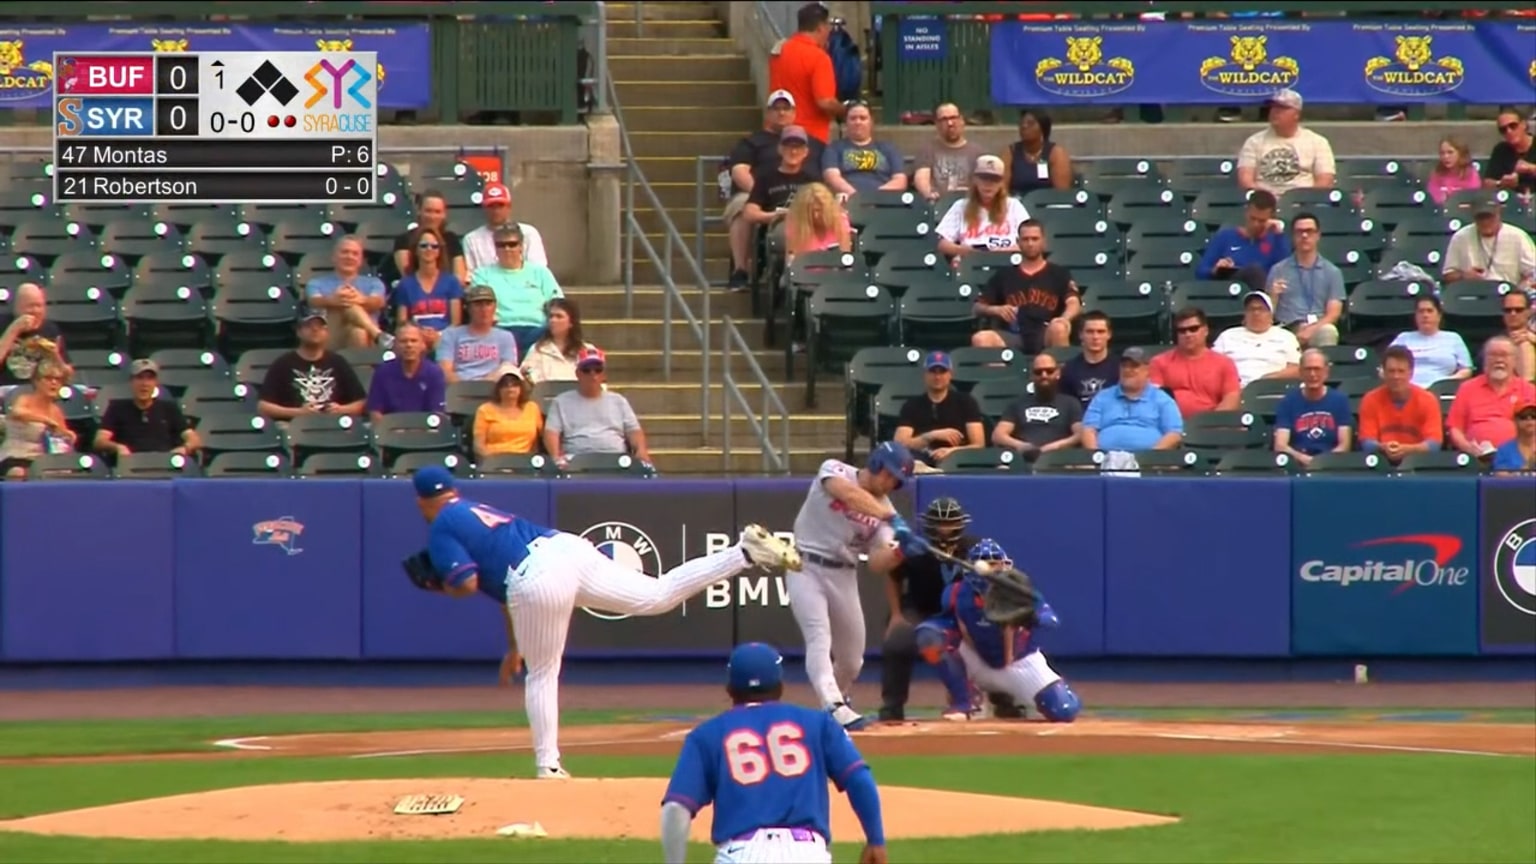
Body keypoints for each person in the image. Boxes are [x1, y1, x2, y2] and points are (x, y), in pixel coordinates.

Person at [409, 466, 801, 779]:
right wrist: (515, 647)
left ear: (422, 502)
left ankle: (547, 765)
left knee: (542, 674)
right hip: (565, 548)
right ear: (452, 490)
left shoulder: (442, 524)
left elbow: (467, 582)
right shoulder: (472, 508)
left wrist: (443, 587)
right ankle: (743, 554)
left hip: (535, 577)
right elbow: (501, 594)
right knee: (658, 594)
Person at [659, 642, 887, 864]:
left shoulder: (707, 735)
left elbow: (676, 807)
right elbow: (859, 779)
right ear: (780, 685)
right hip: (808, 853)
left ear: (730, 689)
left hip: (741, 853)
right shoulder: (818, 724)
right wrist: (875, 840)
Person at [789, 442, 922, 731]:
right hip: (804, 565)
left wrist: (899, 551)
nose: (890, 484)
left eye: (897, 481)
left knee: (851, 659)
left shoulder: (886, 510)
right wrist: (890, 518)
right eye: (888, 475)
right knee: (819, 638)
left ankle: (833, 705)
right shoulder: (835, 469)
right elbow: (847, 494)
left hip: (843, 573)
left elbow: (876, 562)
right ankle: (834, 706)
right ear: (875, 464)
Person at [875, 497, 1023, 723]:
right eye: (939, 524)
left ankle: (1004, 700)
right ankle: (892, 706)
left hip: (961, 611)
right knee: (898, 642)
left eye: (950, 524)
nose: (945, 530)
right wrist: (896, 615)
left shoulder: (975, 549)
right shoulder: (915, 547)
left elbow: (996, 579)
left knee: (989, 635)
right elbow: (893, 578)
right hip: (921, 608)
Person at [915, 539, 1080, 723]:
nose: (994, 570)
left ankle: (1024, 698)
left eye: (996, 564)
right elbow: (939, 627)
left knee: (1064, 710)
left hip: (1020, 663)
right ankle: (965, 700)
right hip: (977, 658)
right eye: (989, 564)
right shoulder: (955, 593)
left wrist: (1029, 617)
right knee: (928, 636)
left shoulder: (1018, 590)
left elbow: (1051, 619)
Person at [970, 220, 1079, 352]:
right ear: (1018, 242)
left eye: (1035, 239)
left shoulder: (1059, 273)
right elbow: (977, 307)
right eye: (1025, 239)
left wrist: (1063, 319)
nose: (1030, 244)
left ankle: (1060, 373)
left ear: (1044, 241)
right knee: (981, 339)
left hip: (1045, 332)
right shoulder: (1004, 275)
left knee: (1059, 329)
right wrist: (996, 310)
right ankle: (1001, 373)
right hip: (1014, 334)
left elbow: (1074, 303)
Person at [256, 305, 368, 420]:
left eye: (320, 326)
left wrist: (341, 410)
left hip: (334, 425)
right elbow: (263, 407)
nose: (315, 329)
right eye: (309, 326)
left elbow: (361, 403)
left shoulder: (338, 362)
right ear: (298, 331)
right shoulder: (283, 364)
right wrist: (297, 412)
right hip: (295, 428)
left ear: (327, 332)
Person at [470, 223, 563, 352]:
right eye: (501, 245)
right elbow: (478, 304)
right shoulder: (482, 274)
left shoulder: (540, 272)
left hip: (537, 328)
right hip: (501, 328)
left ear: (521, 246)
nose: (507, 249)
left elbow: (557, 303)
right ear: (495, 248)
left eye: (512, 244)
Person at [1267, 211, 1345, 348]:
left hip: (1318, 327)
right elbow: (1268, 313)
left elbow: (1334, 313)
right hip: (1286, 329)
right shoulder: (1278, 270)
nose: (1304, 236)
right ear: (1293, 236)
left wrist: (1311, 329)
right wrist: (1273, 296)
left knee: (1328, 331)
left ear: (1318, 235)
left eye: (1309, 231)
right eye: (1299, 232)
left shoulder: (1332, 272)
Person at [93, 359, 200, 458]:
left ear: (156, 383)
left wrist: (184, 448)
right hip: (130, 466)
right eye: (139, 378)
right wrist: (117, 447)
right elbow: (100, 440)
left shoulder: (169, 408)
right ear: (131, 381)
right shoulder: (116, 408)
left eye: (149, 378)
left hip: (164, 465)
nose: (144, 384)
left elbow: (193, 439)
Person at [1357, 345, 1445, 465]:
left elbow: (1434, 444)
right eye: (1391, 371)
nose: (1396, 376)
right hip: (1381, 463)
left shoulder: (1428, 400)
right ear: (1383, 372)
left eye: (1401, 371)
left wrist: (1407, 449)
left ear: (1411, 373)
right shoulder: (1370, 400)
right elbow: (1366, 442)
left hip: (1419, 464)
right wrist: (1384, 447)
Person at [990, 352, 1084, 460]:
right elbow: (998, 435)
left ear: (1058, 373)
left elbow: (1080, 434)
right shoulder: (1017, 404)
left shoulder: (1070, 403)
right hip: (1024, 459)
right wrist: (1022, 446)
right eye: (1038, 372)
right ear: (1031, 375)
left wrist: (1056, 446)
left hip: (1060, 459)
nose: (1044, 375)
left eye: (1049, 371)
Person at [934, 156, 1028, 260]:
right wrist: (961, 250)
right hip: (970, 263)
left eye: (994, 180)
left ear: (1001, 183)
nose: (988, 184)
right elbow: (941, 243)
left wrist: (1007, 251)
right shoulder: (961, 206)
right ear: (975, 180)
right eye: (983, 178)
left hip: (1006, 261)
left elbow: (1029, 240)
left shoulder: (1014, 206)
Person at [1272, 349, 1354, 465]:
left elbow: (1344, 445)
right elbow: (1280, 445)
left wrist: (1321, 462)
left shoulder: (1340, 400)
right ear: (1300, 372)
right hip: (1298, 464)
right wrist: (1303, 459)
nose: (1312, 374)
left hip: (1332, 464)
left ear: (1326, 371)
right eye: (1308, 369)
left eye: (1317, 369)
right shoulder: (1288, 401)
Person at [393, 225, 464, 352]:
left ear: (439, 251)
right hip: (415, 339)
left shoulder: (451, 282)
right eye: (423, 246)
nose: (429, 249)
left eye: (434, 246)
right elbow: (402, 322)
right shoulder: (405, 284)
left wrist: (438, 335)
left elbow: (455, 323)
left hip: (444, 337)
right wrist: (419, 333)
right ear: (416, 250)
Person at [0, 357, 73, 480]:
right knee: (18, 473)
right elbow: (17, 412)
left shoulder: (56, 411)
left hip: (44, 461)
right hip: (16, 456)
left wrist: (69, 435)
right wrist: (45, 420)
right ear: (37, 381)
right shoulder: (24, 400)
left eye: (58, 380)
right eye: (48, 378)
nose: (54, 383)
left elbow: (62, 436)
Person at [1389, 295, 1473, 388]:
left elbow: (1466, 370)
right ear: (1415, 316)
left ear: (1439, 315)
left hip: (1442, 389)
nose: (1425, 315)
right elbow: (1384, 368)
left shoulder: (1453, 338)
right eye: (1421, 311)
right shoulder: (1403, 338)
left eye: (1430, 311)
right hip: (1407, 389)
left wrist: (1447, 383)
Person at [473, 362, 543, 458]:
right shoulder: (485, 410)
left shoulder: (532, 408)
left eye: (514, 385)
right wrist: (493, 462)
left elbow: (539, 440)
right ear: (498, 389)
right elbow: (478, 446)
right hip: (494, 462)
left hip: (524, 461)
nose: (510, 389)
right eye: (505, 385)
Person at [521, 298, 596, 386]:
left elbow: (598, 382)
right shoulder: (537, 350)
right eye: (551, 316)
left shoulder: (587, 350)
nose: (553, 320)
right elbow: (527, 379)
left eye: (559, 316)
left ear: (571, 322)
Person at [1002, 108, 1072, 196]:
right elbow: (1002, 190)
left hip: (1046, 205)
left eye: (1030, 124)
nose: (1024, 126)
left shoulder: (1056, 153)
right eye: (1021, 123)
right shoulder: (1010, 152)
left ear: (1043, 128)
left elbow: (1062, 193)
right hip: (1018, 204)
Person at [1426, 136, 1482, 206]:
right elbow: (1431, 196)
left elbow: (1472, 197)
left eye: (1450, 152)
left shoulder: (1470, 174)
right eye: (1442, 153)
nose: (1446, 157)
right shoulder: (1437, 173)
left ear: (1461, 153)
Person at [1491, 400, 1536, 474]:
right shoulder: (1504, 450)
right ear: (1515, 420)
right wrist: (1525, 470)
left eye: (1534, 416)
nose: (1529, 419)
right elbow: (1501, 478)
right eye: (1523, 416)